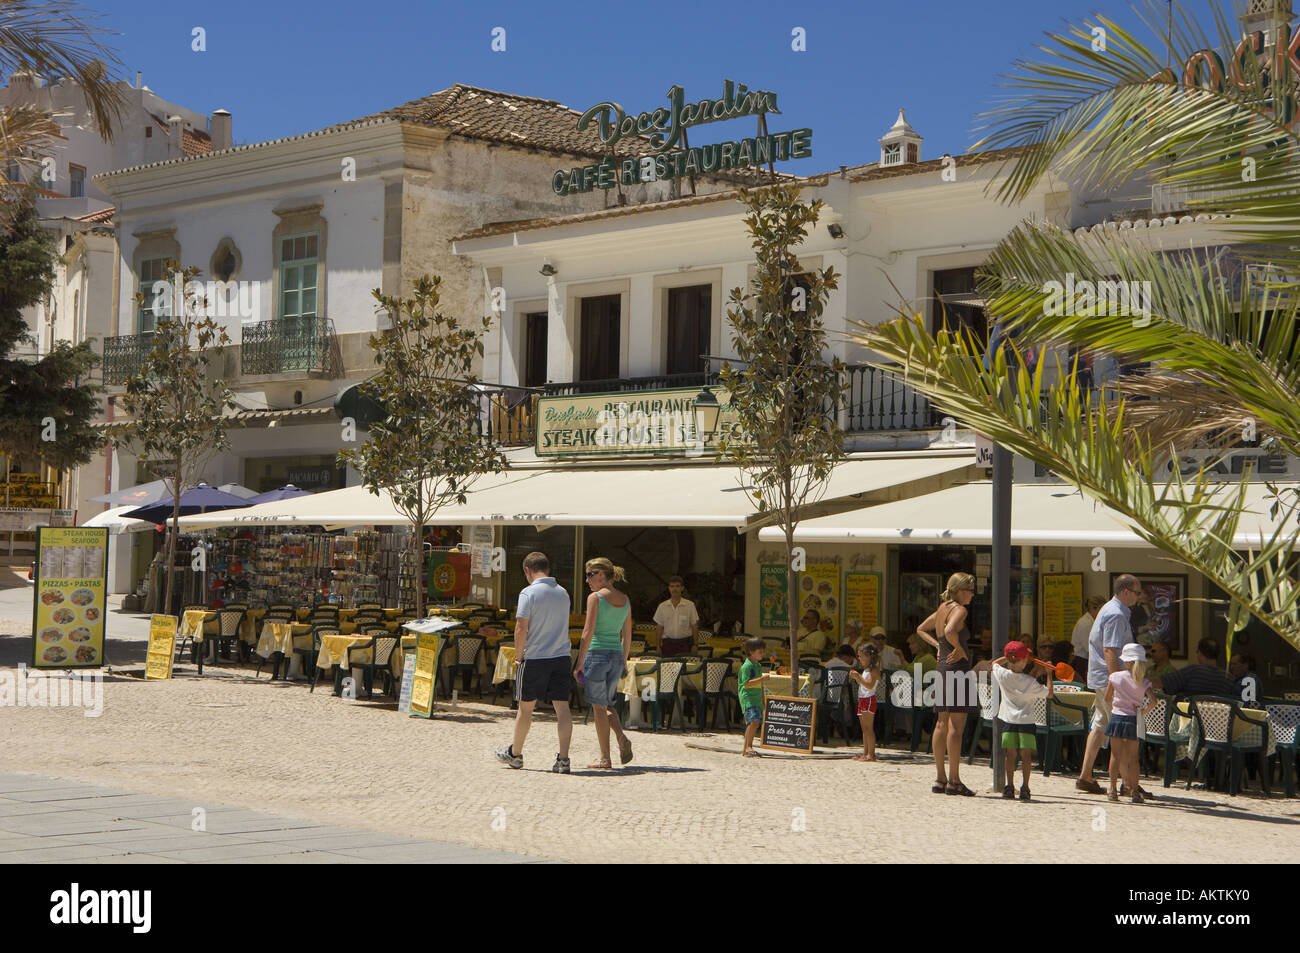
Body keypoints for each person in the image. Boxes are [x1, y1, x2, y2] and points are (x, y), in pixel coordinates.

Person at [495, 552, 574, 774]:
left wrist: (519, 657)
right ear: (547, 569)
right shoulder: (563, 593)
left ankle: (516, 754)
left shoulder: (528, 593)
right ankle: (564, 759)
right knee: (562, 707)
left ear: (528, 570)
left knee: (525, 708)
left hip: (536, 657)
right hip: (560, 656)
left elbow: (521, 628)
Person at [1075, 573, 1142, 795]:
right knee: (1120, 731)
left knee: (1101, 724)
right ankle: (1127, 784)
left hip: (1100, 677)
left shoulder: (1108, 609)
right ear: (1126, 592)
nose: (1139, 597)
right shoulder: (1116, 614)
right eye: (1137, 592)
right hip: (1109, 678)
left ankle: (1085, 776)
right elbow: (1110, 649)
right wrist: (1118, 682)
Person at [916, 571, 978, 796]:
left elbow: (921, 629)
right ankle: (954, 780)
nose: (972, 594)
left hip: (941, 667)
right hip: (958, 669)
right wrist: (959, 648)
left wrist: (938, 645)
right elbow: (951, 630)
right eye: (970, 590)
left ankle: (940, 778)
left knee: (941, 723)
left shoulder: (943, 608)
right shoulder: (960, 609)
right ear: (961, 591)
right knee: (957, 727)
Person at [575, 557, 635, 770]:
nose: (587, 579)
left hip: (597, 655)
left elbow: (588, 631)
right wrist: (625, 661)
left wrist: (579, 663)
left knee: (599, 707)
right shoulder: (625, 599)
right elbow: (627, 635)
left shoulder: (595, 598)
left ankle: (604, 758)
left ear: (602, 575)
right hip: (616, 656)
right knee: (606, 703)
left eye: (591, 574)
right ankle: (622, 738)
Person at [988, 641, 1054, 801]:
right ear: (1024, 660)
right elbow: (1049, 694)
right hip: (1026, 721)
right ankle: (1025, 787)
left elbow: (993, 664)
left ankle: (1009, 786)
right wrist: (1049, 673)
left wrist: (1008, 657)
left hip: (1009, 720)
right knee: (1026, 756)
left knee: (1009, 755)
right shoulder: (1030, 682)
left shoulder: (1003, 675)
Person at [1104, 643, 1157, 804]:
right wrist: (1141, 711)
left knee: (1115, 756)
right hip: (1133, 719)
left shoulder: (1115, 677)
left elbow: (1107, 698)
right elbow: (1154, 702)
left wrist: (1117, 703)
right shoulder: (1144, 681)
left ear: (1126, 661)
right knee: (1134, 759)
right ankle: (1134, 791)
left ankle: (1112, 790)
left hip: (1117, 717)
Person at [1152, 638, 1235, 697]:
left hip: (1189, 717)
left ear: (1200, 653)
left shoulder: (1193, 671)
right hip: (1217, 720)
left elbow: (1161, 683)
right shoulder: (1229, 679)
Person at [739, 637, 771, 757]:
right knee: (753, 721)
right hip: (748, 697)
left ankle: (747, 747)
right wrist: (762, 679)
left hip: (756, 697)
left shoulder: (757, 665)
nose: (763, 654)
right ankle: (748, 747)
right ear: (751, 652)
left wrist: (763, 698)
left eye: (763, 651)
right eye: (760, 652)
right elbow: (746, 683)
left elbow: (759, 684)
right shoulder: (747, 667)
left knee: (755, 722)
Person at [848, 643, 881, 762]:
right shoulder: (867, 670)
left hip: (869, 699)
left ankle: (871, 754)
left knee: (869, 728)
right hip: (863, 698)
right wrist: (857, 678)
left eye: (861, 656)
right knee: (864, 729)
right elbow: (863, 684)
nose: (859, 659)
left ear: (869, 656)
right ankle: (865, 753)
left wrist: (858, 677)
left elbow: (870, 685)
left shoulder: (874, 670)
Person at [653, 575, 699, 657]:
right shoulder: (662, 606)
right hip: (668, 644)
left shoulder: (690, 605)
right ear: (669, 588)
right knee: (667, 669)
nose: (674, 589)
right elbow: (659, 627)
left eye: (677, 586)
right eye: (672, 586)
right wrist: (658, 646)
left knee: (684, 669)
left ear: (682, 588)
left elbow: (694, 626)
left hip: (685, 644)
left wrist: (695, 645)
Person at [1070, 596, 1106, 676]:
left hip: (1088, 660)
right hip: (1082, 661)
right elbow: (1089, 648)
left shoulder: (1093, 622)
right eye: (1102, 608)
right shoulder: (1086, 624)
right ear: (1093, 608)